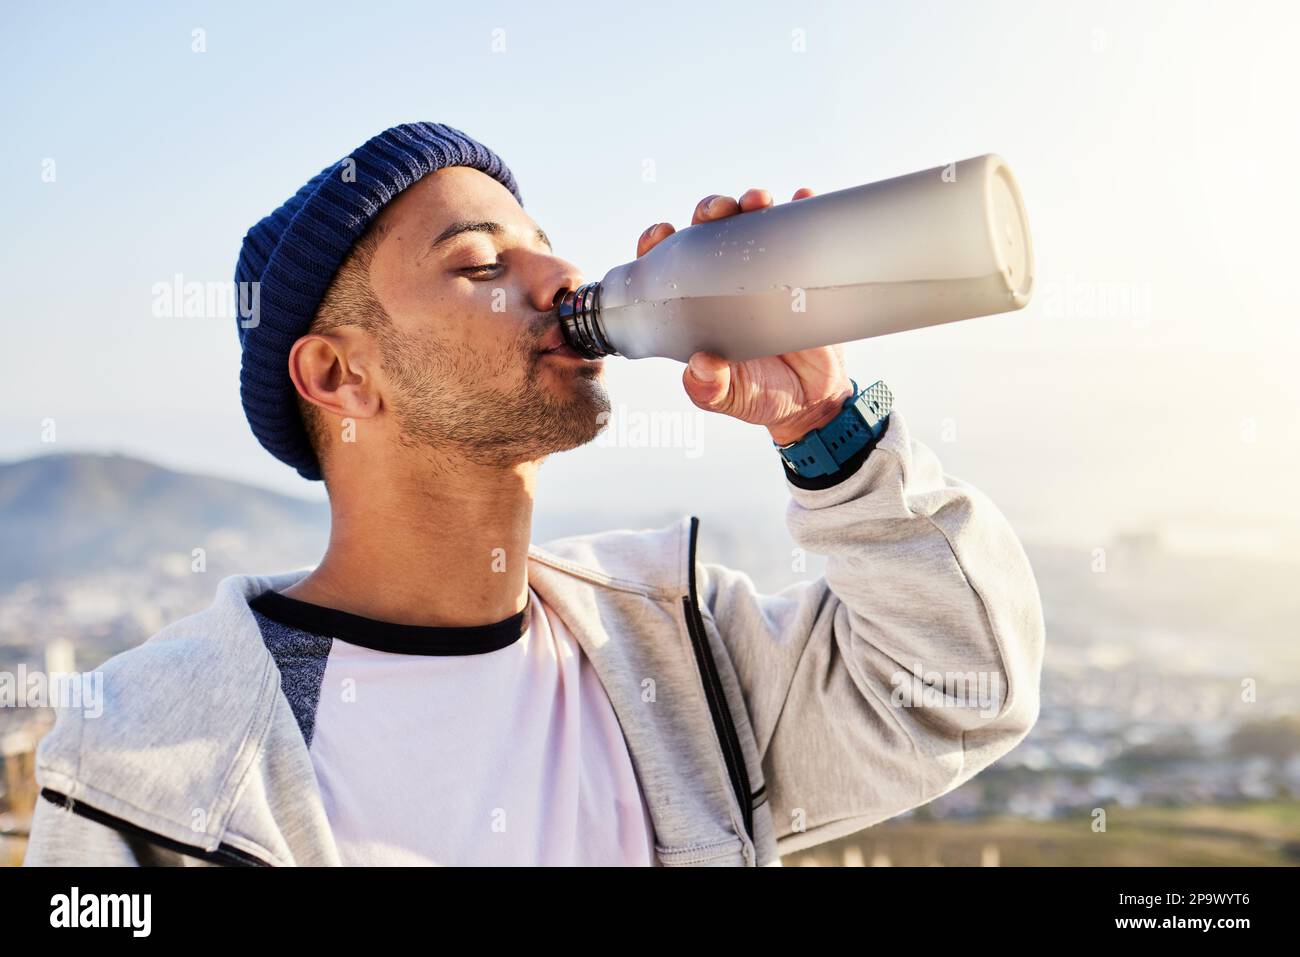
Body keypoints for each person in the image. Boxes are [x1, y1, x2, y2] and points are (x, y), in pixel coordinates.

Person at [24, 122, 1044, 867]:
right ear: (340, 377)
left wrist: (822, 419)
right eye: (478, 263)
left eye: (544, 242)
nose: (561, 275)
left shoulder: (681, 654)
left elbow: (959, 694)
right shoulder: (151, 756)